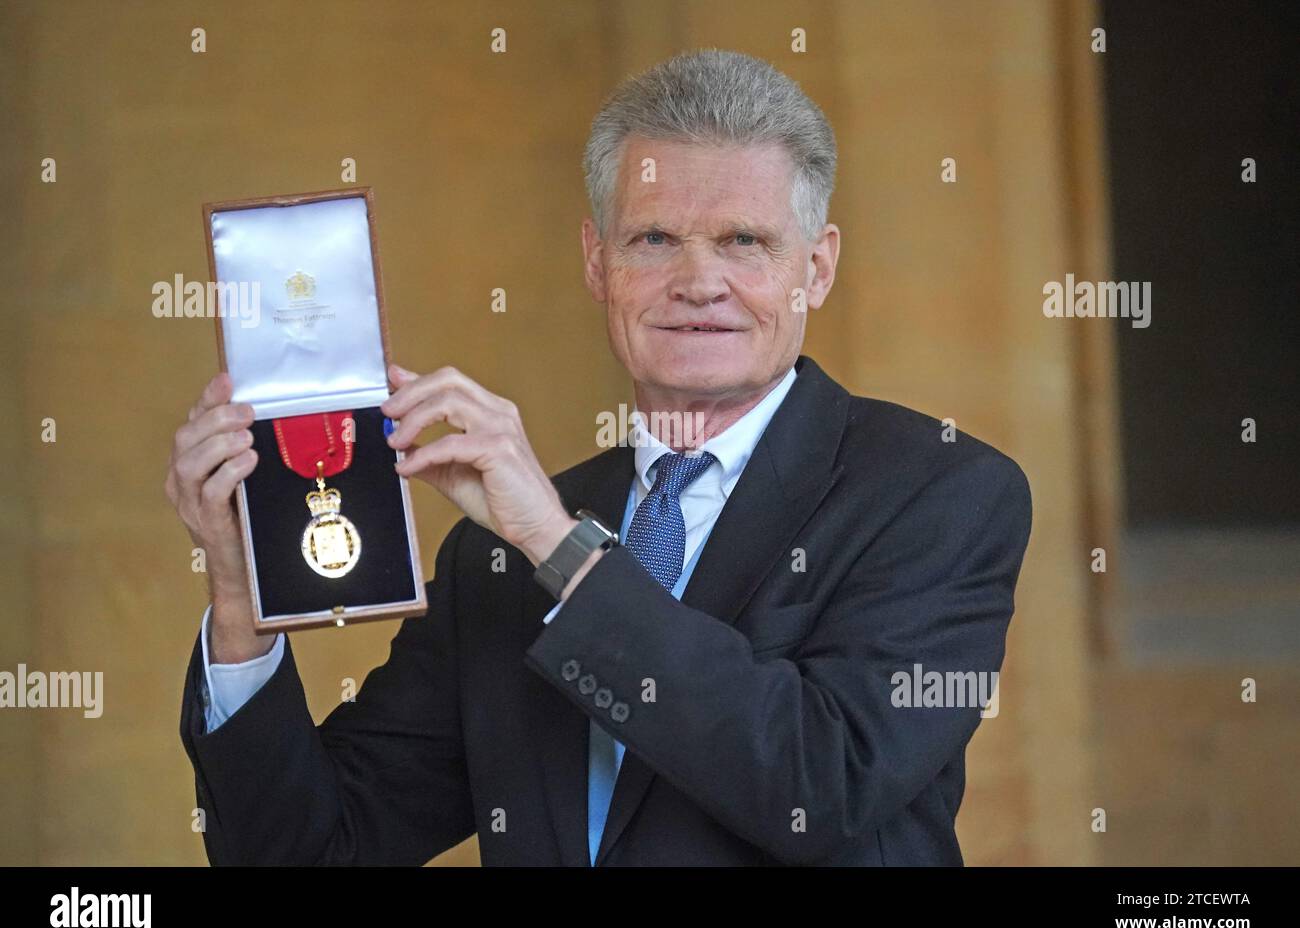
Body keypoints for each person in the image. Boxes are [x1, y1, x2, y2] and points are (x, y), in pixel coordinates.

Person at [166, 49, 1031, 866]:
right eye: (653, 239)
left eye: (744, 241)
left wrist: (556, 542)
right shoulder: (494, 552)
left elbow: (820, 782)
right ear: (597, 263)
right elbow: (314, 850)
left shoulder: (943, 492)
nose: (698, 281)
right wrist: (242, 599)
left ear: (819, 266)